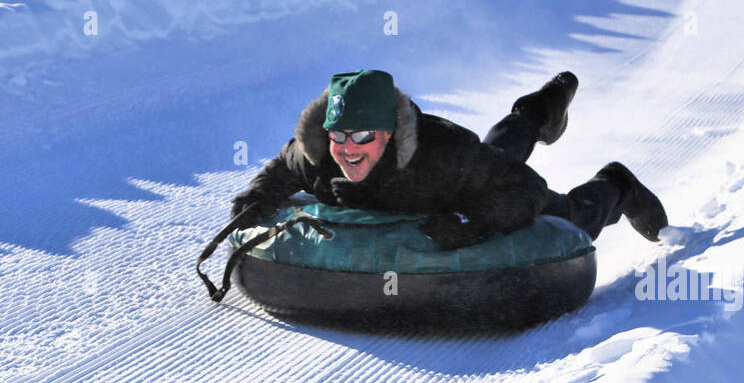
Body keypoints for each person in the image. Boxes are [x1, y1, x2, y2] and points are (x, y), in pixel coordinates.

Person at [229, 68, 668, 250]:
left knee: (571, 216)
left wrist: (471, 221)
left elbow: (525, 188)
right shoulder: (319, 151)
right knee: (495, 157)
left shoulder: (442, 156)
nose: (348, 148)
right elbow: (284, 168)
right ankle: (535, 112)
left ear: (388, 132)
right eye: (339, 134)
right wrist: (257, 197)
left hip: (460, 185)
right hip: (471, 168)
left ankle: (617, 184)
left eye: (362, 135)